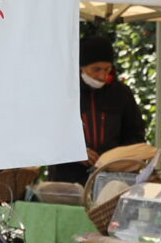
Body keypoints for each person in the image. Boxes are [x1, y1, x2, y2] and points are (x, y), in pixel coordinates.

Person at [54, 31, 149, 186]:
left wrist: (116, 157)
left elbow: (136, 135)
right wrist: (75, 151)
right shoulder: (64, 93)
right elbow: (50, 135)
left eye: (107, 69)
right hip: (68, 179)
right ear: (80, 67)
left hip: (113, 180)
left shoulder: (122, 94)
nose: (102, 76)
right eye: (96, 69)